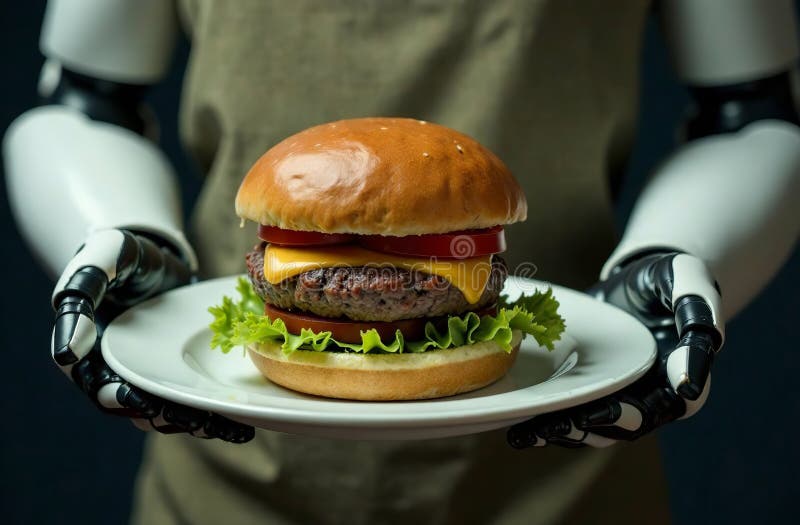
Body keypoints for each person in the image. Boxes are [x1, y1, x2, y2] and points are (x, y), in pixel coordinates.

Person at [4, 0, 799, 523]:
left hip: (570, 477)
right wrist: (121, 236)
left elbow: (752, 108)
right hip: (218, 484)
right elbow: (85, 96)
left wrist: (672, 255)